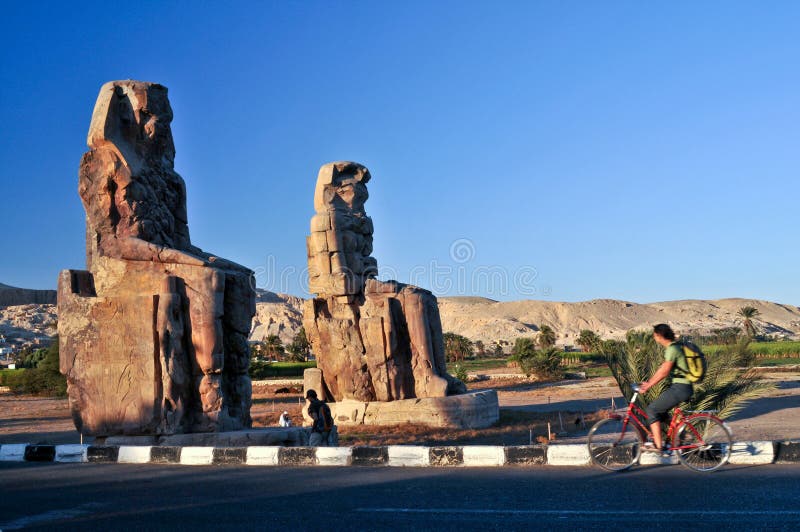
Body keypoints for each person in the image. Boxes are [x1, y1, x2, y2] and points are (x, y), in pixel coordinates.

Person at [639, 323, 693, 452]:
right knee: (661, 412)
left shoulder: (672, 349)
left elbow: (664, 371)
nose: (654, 338)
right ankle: (683, 433)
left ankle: (658, 445)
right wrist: (649, 382)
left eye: (654, 335)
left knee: (652, 410)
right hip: (683, 386)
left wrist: (648, 385)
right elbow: (662, 368)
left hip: (680, 387)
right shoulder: (674, 347)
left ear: (659, 335)